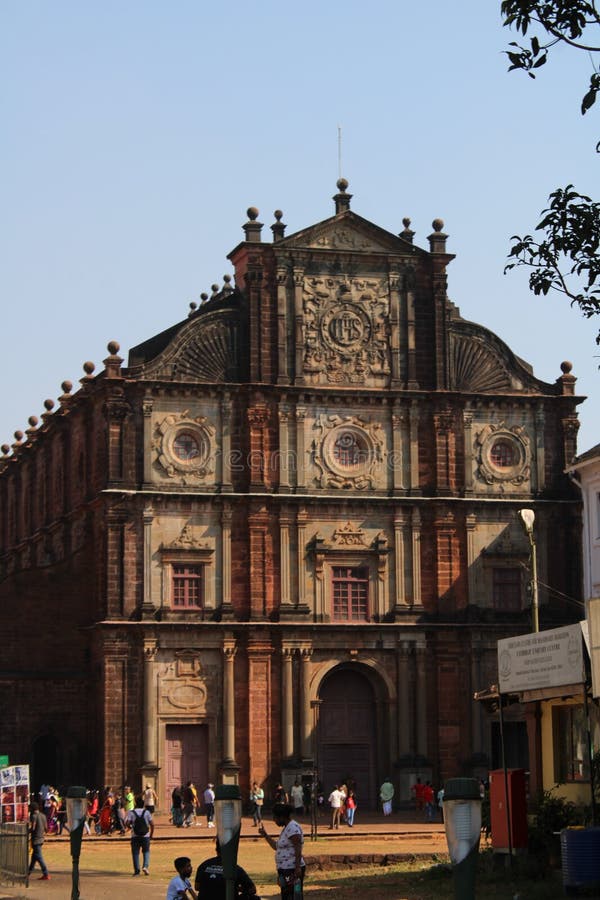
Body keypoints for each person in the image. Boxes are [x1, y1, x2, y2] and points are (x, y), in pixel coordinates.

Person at [259, 803, 305, 899]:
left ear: (282, 817)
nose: (274, 820)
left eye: (275, 817)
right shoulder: (286, 829)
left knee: (292, 895)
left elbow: (298, 847)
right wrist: (265, 836)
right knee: (286, 894)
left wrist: (297, 867)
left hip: (292, 869)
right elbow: (276, 846)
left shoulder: (292, 828)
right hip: (284, 870)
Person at [125, 794, 154, 876]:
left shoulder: (132, 812)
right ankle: (145, 866)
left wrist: (130, 826)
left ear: (135, 804)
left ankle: (137, 871)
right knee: (146, 851)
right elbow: (152, 824)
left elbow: (127, 823)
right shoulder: (147, 812)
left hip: (135, 835)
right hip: (146, 835)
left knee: (135, 853)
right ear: (143, 804)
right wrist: (151, 834)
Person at [28, 801, 50, 880]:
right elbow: (46, 829)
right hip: (41, 838)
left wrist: (27, 831)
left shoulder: (33, 816)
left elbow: (33, 828)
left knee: (39, 857)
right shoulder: (43, 815)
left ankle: (46, 873)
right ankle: (28, 873)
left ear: (32, 809)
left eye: (29, 808)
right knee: (34, 857)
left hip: (35, 839)